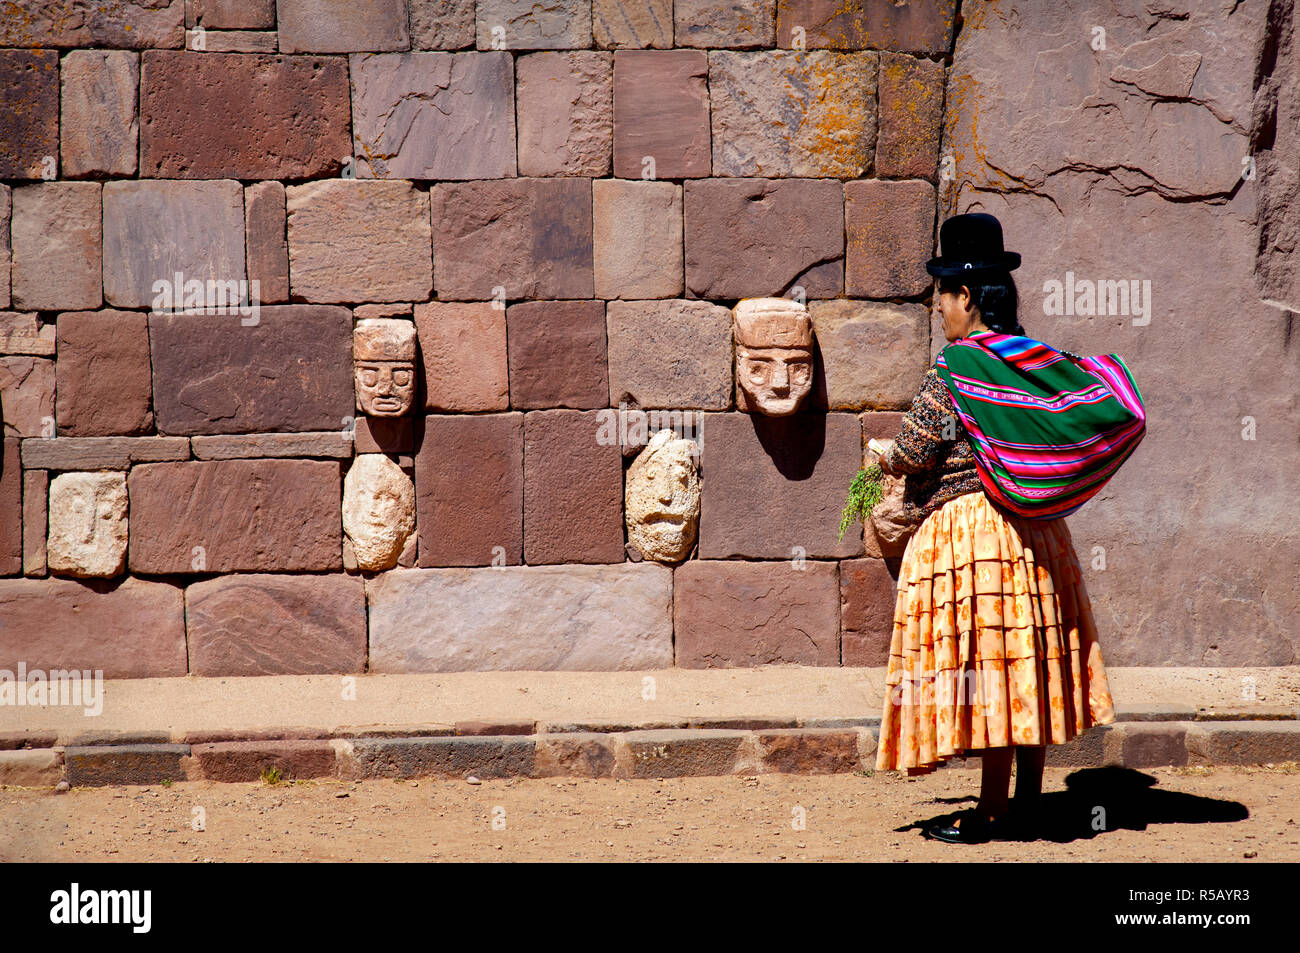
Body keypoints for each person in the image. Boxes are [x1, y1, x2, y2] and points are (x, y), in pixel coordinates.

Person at [874, 212, 1117, 844]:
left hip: (976, 534)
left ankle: (990, 812)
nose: (942, 313)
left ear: (968, 297)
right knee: (1024, 664)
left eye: (944, 299)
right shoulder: (1036, 360)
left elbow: (919, 445)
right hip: (1038, 532)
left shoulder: (956, 365)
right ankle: (1029, 800)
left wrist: (885, 458)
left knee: (991, 666)